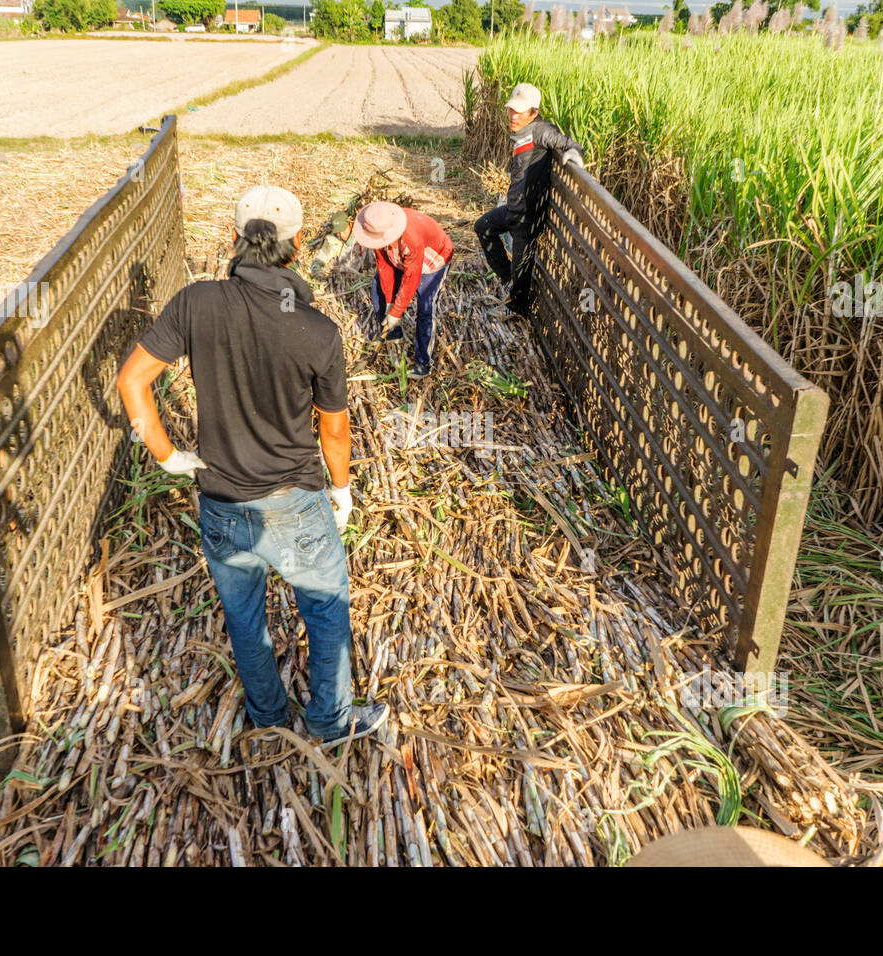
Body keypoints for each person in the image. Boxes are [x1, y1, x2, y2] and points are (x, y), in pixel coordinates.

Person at [115, 184, 389, 748]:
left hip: (221, 503)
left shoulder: (197, 302)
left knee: (244, 619)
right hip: (294, 501)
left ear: (233, 238)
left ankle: (268, 716)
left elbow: (131, 381)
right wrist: (341, 493)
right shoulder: (317, 331)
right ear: (294, 248)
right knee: (326, 609)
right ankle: (330, 722)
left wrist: (168, 457)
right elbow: (333, 430)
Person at [474, 82, 584, 317]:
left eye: (519, 112)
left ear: (534, 113)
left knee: (521, 270)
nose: (512, 116)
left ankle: (517, 309)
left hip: (527, 217)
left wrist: (574, 154)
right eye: (511, 110)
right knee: (483, 227)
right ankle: (507, 281)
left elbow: (568, 144)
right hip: (512, 208)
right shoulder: (521, 133)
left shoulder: (540, 130)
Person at [352, 201, 453, 379]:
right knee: (378, 287)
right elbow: (384, 266)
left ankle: (423, 362)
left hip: (432, 259)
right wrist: (390, 304)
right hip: (399, 258)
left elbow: (411, 278)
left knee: (426, 306)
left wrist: (397, 311)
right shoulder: (376, 232)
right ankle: (393, 332)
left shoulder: (411, 237)